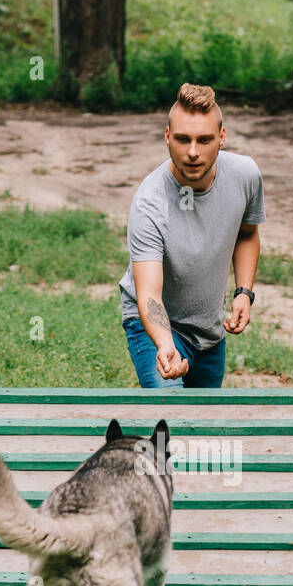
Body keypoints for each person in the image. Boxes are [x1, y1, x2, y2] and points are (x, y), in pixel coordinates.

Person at [119, 82, 266, 389]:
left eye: (205, 140)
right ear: (167, 137)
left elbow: (247, 233)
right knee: (170, 415)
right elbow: (148, 295)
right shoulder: (149, 204)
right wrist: (163, 342)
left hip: (209, 330)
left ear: (222, 138)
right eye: (183, 140)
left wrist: (244, 291)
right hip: (155, 325)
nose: (193, 152)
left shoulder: (245, 175)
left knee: (203, 422)